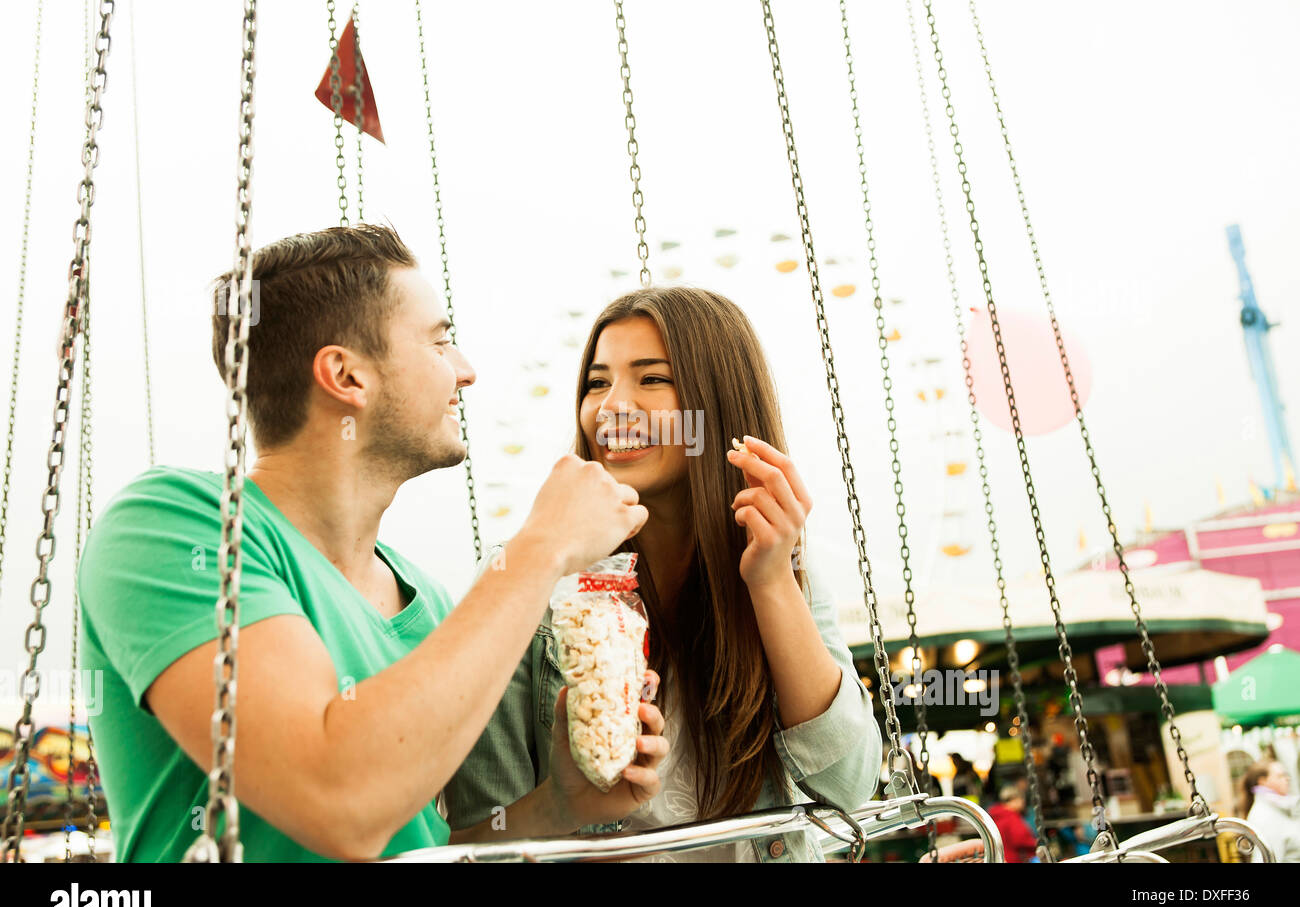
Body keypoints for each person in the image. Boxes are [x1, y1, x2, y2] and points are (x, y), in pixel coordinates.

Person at [76, 225, 668, 862]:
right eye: (441, 343)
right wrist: (543, 546)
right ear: (346, 376)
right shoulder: (171, 524)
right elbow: (340, 802)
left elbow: (416, 851)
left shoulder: (426, 601)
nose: (465, 372)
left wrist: (558, 807)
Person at [444, 286, 882, 862]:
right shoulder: (529, 576)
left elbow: (847, 784)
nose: (612, 407)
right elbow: (480, 841)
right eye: (597, 383)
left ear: (716, 406)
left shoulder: (780, 569)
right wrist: (565, 801)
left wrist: (771, 580)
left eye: (651, 379)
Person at [1241, 759, 1300, 862]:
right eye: (1280, 776)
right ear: (1263, 781)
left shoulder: (1282, 808)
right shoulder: (1264, 815)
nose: (1287, 779)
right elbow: (1266, 859)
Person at [986, 784, 1039, 863]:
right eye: (1021, 799)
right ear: (1014, 799)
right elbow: (1021, 839)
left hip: (998, 859)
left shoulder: (995, 816)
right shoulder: (1011, 817)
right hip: (1013, 859)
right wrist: (1037, 843)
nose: (1023, 802)